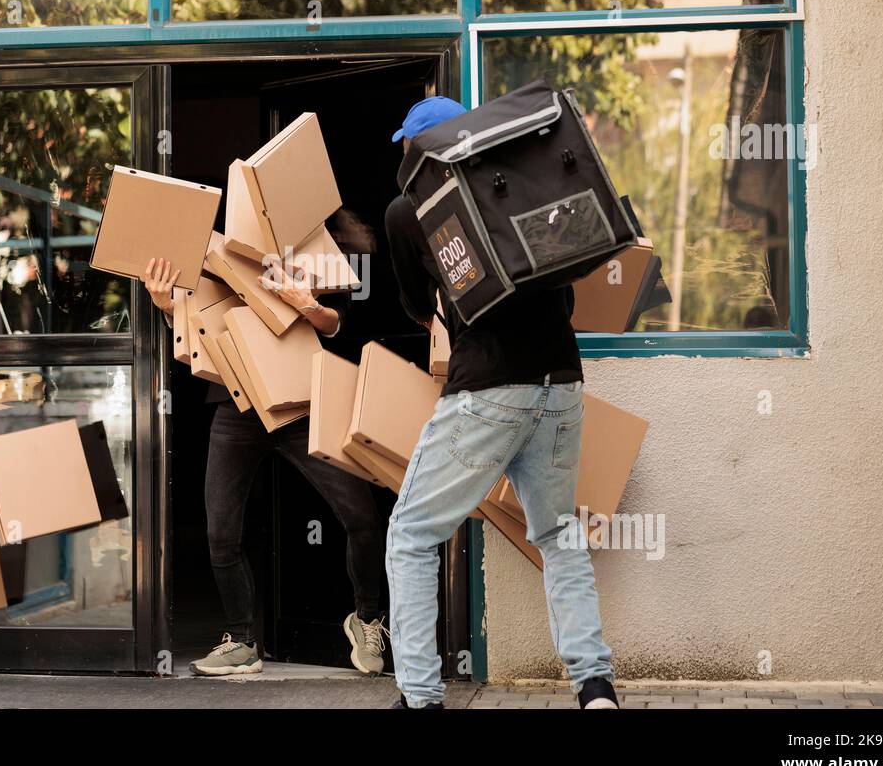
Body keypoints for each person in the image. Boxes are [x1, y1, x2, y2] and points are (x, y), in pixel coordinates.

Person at [382, 96, 618, 710]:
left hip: (488, 389)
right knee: (560, 535)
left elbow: (414, 302)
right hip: (561, 381)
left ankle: (420, 696)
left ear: (419, 149)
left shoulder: (408, 211)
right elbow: (563, 295)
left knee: (411, 534)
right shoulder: (523, 188)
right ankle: (595, 687)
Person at [142, 252, 388, 676]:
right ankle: (242, 642)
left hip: (302, 403)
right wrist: (168, 307)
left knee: (361, 515)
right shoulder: (221, 247)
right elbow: (201, 317)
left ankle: (365, 620)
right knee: (220, 532)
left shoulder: (314, 245)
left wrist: (305, 303)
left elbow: (336, 322)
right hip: (236, 403)